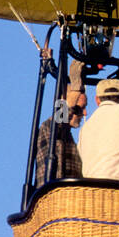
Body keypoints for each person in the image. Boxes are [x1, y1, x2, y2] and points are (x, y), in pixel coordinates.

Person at [35, 57, 87, 185]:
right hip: (56, 196)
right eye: (80, 109)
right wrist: (75, 89)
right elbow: (60, 119)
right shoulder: (49, 127)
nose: (84, 113)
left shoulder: (67, 137)